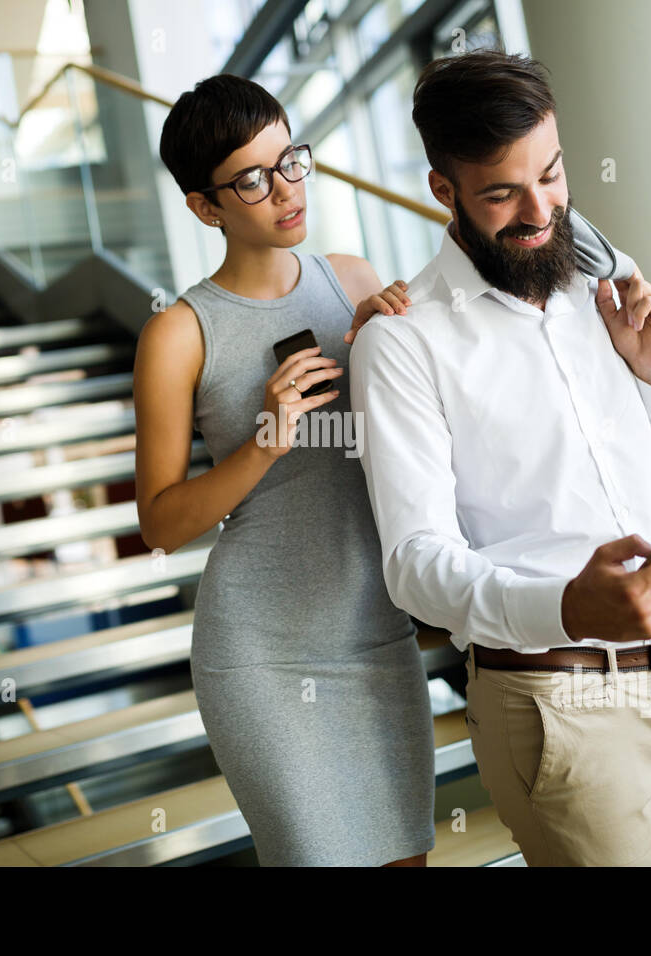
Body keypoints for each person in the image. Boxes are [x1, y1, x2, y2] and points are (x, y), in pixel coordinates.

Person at [348, 49, 651, 866]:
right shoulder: (403, 343)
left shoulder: (603, 285)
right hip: (554, 708)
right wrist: (571, 608)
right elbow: (414, 565)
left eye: (552, 173)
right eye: (503, 193)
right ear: (445, 190)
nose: (541, 211)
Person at [135, 73, 432, 866]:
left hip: (377, 629)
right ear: (206, 207)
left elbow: (420, 439)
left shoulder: (355, 280)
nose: (285, 190)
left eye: (289, 160)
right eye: (253, 180)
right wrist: (264, 440)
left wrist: (386, 351)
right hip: (264, 651)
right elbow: (161, 523)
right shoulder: (179, 334)